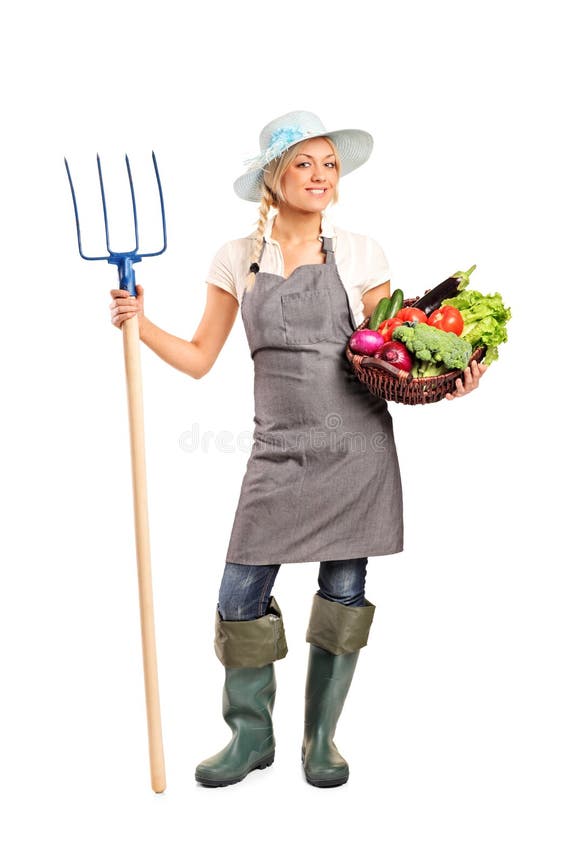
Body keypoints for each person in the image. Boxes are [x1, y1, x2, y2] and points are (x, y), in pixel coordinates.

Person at [109, 110, 487, 789]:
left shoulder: (362, 252)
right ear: (274, 178)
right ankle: (251, 737)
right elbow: (199, 357)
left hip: (356, 450)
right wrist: (141, 324)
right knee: (239, 594)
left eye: (330, 165)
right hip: (277, 452)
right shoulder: (236, 258)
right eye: (305, 164)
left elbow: (390, 352)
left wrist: (446, 377)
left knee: (343, 593)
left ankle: (321, 740)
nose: (321, 176)